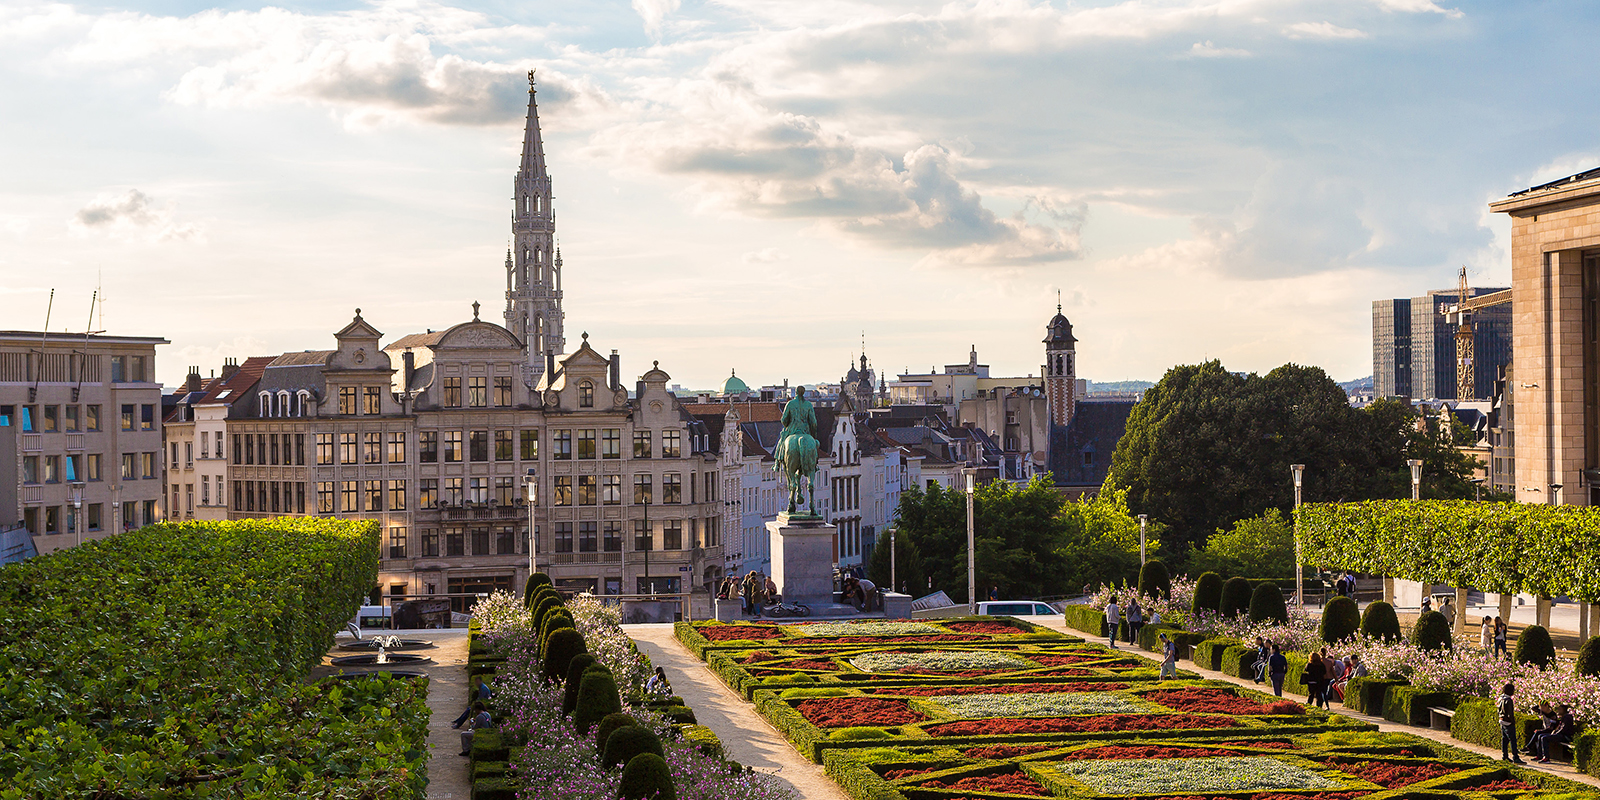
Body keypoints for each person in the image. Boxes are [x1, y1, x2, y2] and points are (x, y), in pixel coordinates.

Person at [1498, 682, 1525, 763]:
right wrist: (1513, 721)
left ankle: (1505, 756)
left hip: (1502, 720)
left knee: (1505, 739)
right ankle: (1515, 757)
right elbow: (1510, 713)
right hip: (1508, 722)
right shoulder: (1509, 700)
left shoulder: (1501, 698)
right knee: (1512, 740)